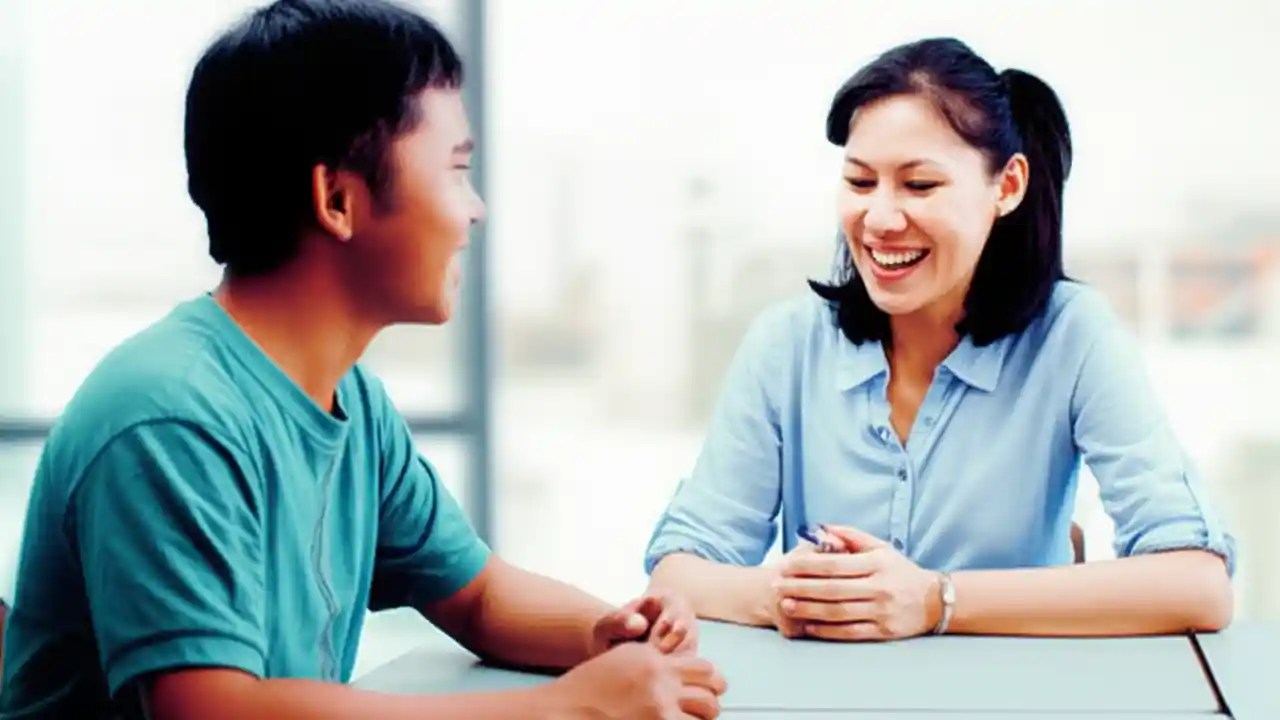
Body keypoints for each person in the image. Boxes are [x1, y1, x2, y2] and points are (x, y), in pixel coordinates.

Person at [0, 1, 726, 718]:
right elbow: (212, 708)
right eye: (455, 169)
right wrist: (563, 711)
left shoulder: (350, 400)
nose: (474, 209)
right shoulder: (168, 416)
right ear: (337, 199)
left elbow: (477, 594)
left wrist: (607, 635)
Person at [644, 37, 1236, 642]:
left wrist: (934, 599)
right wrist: (783, 596)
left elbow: (1196, 583)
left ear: (1006, 187)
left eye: (919, 185)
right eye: (860, 181)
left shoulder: (1074, 336)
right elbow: (677, 572)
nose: (879, 219)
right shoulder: (787, 343)